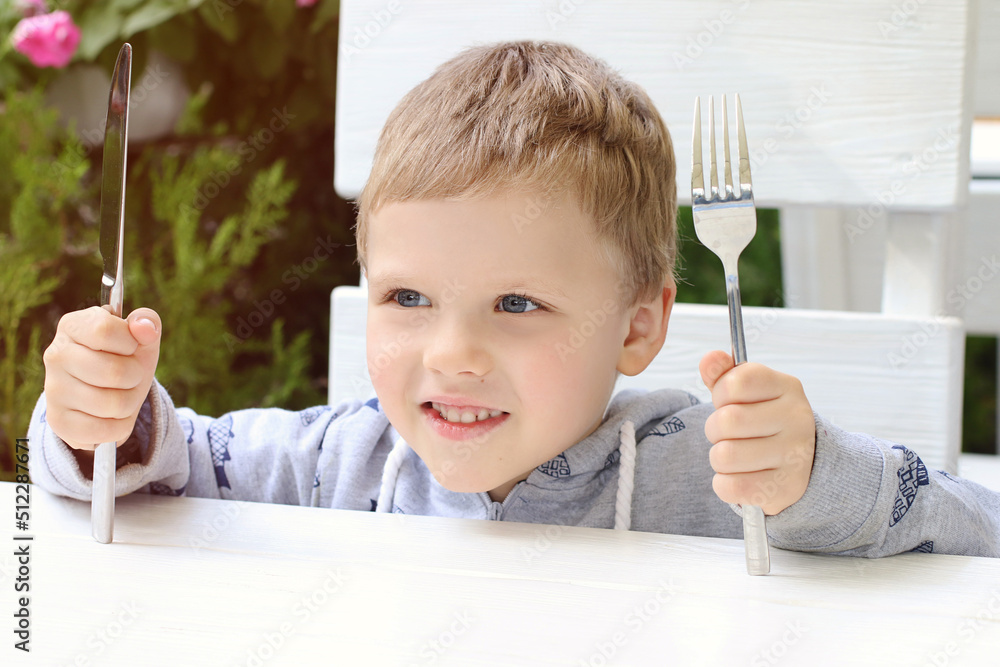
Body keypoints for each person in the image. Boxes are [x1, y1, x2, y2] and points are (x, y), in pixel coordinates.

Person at [28, 41, 1000, 557]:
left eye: (518, 305)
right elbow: (156, 465)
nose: (452, 351)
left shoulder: (710, 473)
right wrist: (100, 414)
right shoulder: (341, 459)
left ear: (639, 325)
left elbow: (975, 531)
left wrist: (811, 477)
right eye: (407, 295)